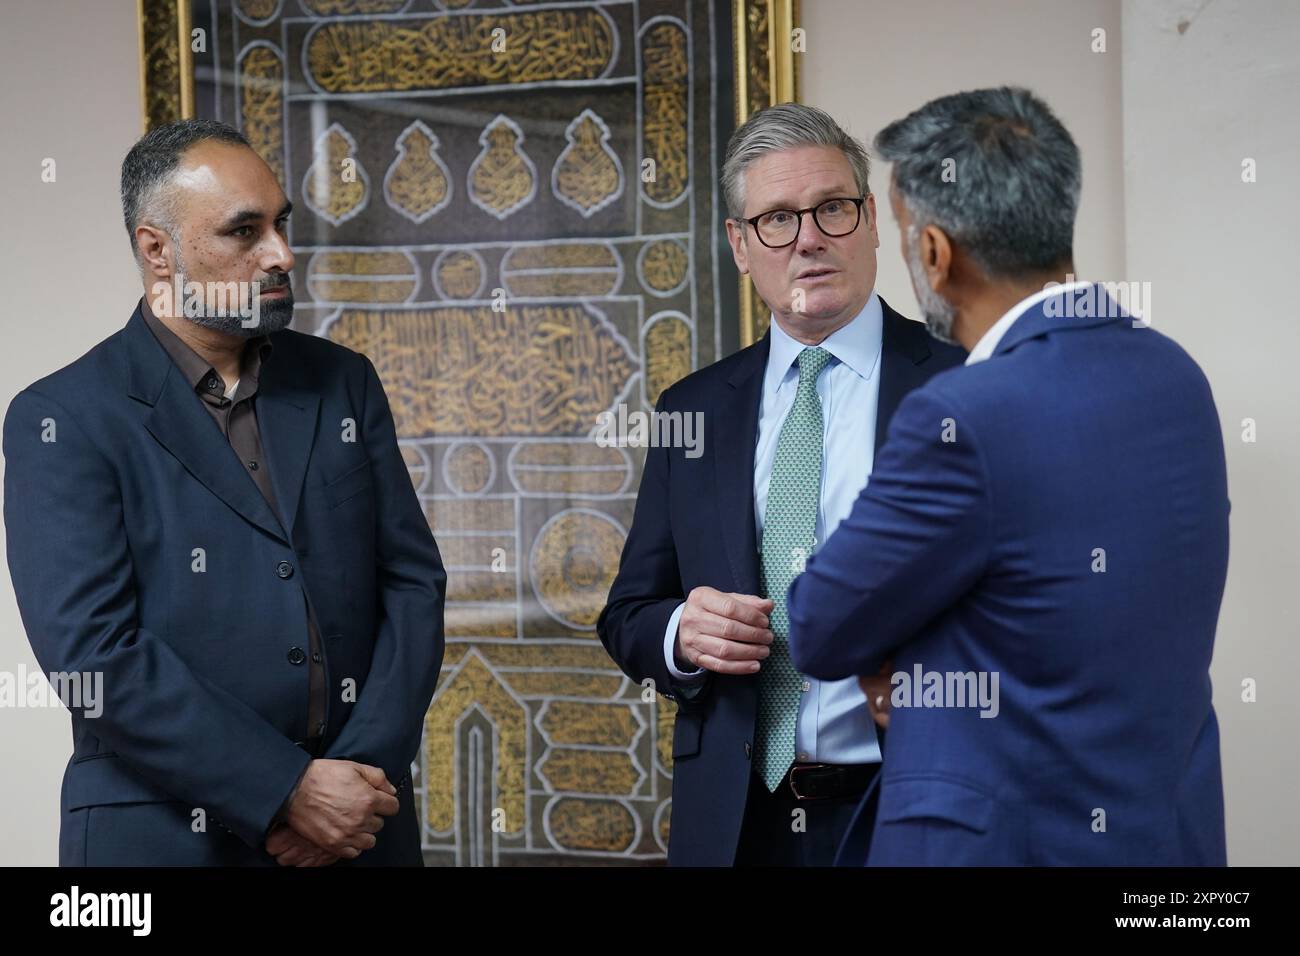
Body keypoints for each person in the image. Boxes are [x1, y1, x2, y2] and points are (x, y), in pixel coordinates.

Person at [787, 87, 1229, 866]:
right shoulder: (1176, 376)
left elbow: (822, 623)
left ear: (934, 252)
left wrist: (911, 669)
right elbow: (1070, 612)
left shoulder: (964, 414)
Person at [3, 119, 447, 866]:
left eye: (281, 224)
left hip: (359, 831)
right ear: (157, 250)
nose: (281, 254)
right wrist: (286, 790)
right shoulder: (63, 418)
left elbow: (410, 583)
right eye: (245, 231)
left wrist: (354, 783)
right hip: (160, 837)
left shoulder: (343, 381)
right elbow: (93, 655)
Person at [598, 104, 964, 866]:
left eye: (831, 207)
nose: (808, 238)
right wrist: (680, 635)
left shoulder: (966, 387)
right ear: (740, 244)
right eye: (775, 219)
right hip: (735, 825)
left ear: (868, 221)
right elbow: (628, 612)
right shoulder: (689, 410)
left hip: (910, 808)